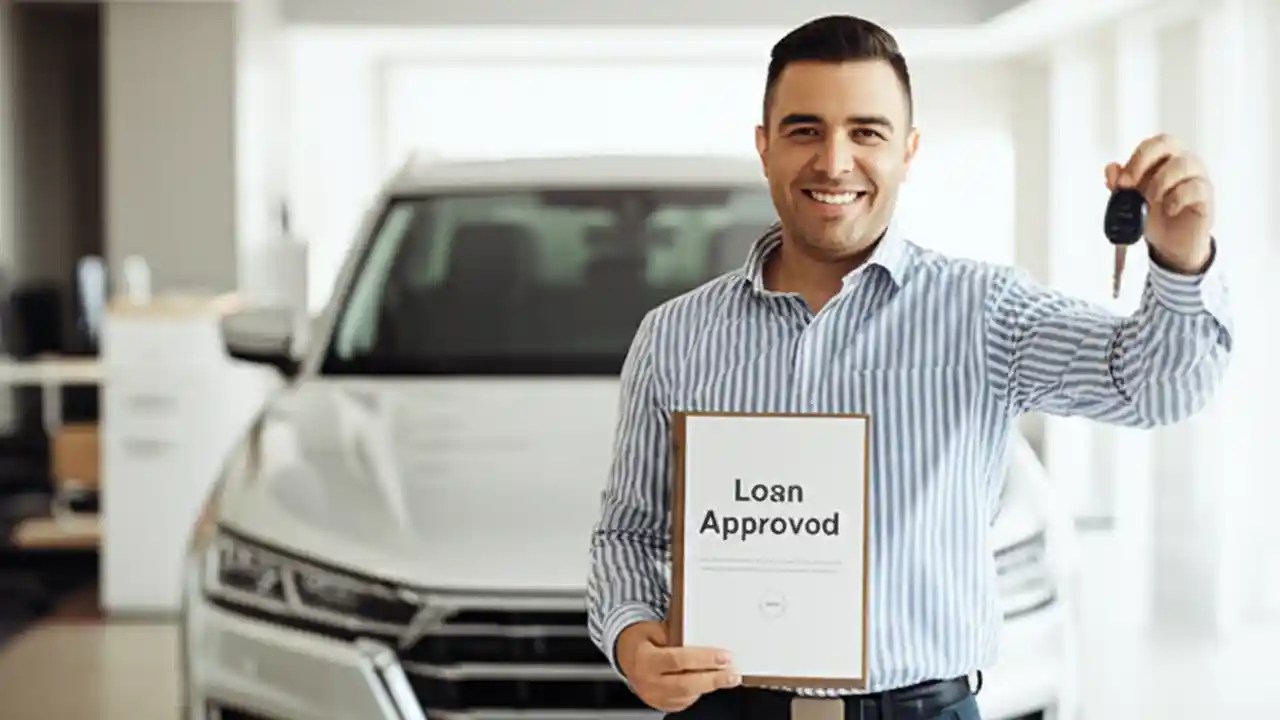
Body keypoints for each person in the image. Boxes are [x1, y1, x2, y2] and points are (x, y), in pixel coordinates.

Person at [586, 13, 1233, 720]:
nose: (834, 161)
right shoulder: (675, 336)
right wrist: (629, 640)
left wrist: (1180, 260)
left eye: (867, 132)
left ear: (908, 151)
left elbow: (1157, 388)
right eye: (805, 130)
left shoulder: (987, 313)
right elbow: (629, 534)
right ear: (764, 146)